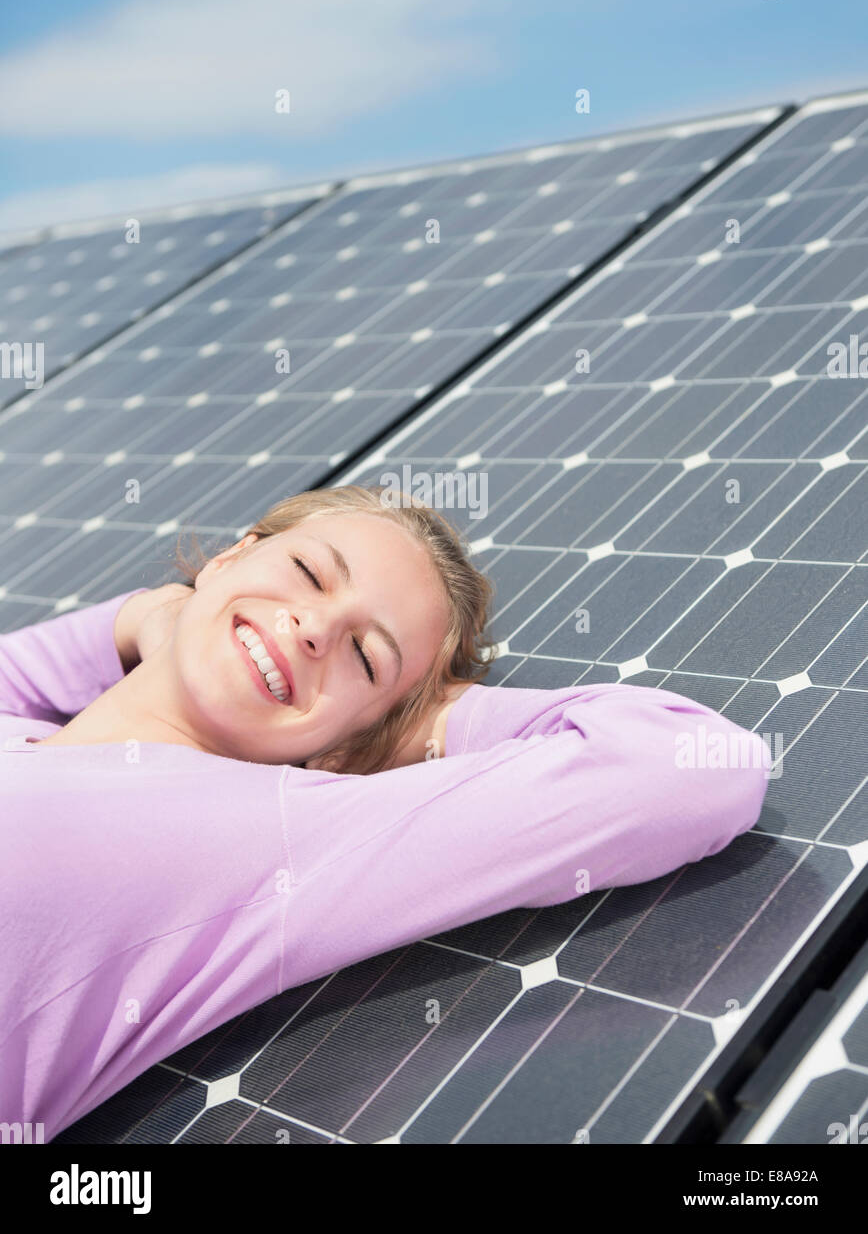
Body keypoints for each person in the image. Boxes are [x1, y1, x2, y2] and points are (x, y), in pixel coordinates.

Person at [0, 484, 771, 1142]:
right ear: (234, 553)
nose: (315, 628)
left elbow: (696, 764)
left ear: (348, 744)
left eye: (366, 657)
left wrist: (423, 720)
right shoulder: (23, 729)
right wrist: (149, 618)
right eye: (306, 571)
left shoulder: (280, 836)